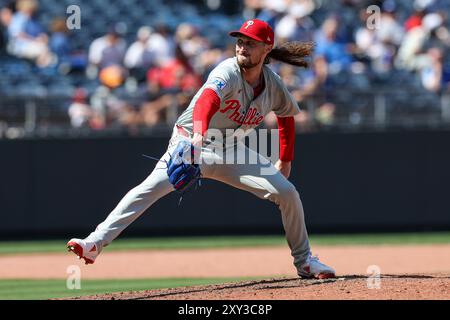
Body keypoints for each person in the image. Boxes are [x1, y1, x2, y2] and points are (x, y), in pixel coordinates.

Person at [67, 19, 336, 279]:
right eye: (240, 42)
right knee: (148, 189)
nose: (242, 47)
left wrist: (285, 160)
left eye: (250, 43)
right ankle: (94, 243)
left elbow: (286, 116)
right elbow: (206, 100)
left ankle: (304, 262)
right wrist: (197, 137)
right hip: (191, 141)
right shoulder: (227, 70)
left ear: (267, 49)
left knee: (288, 193)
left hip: (231, 149)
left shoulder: (273, 83)